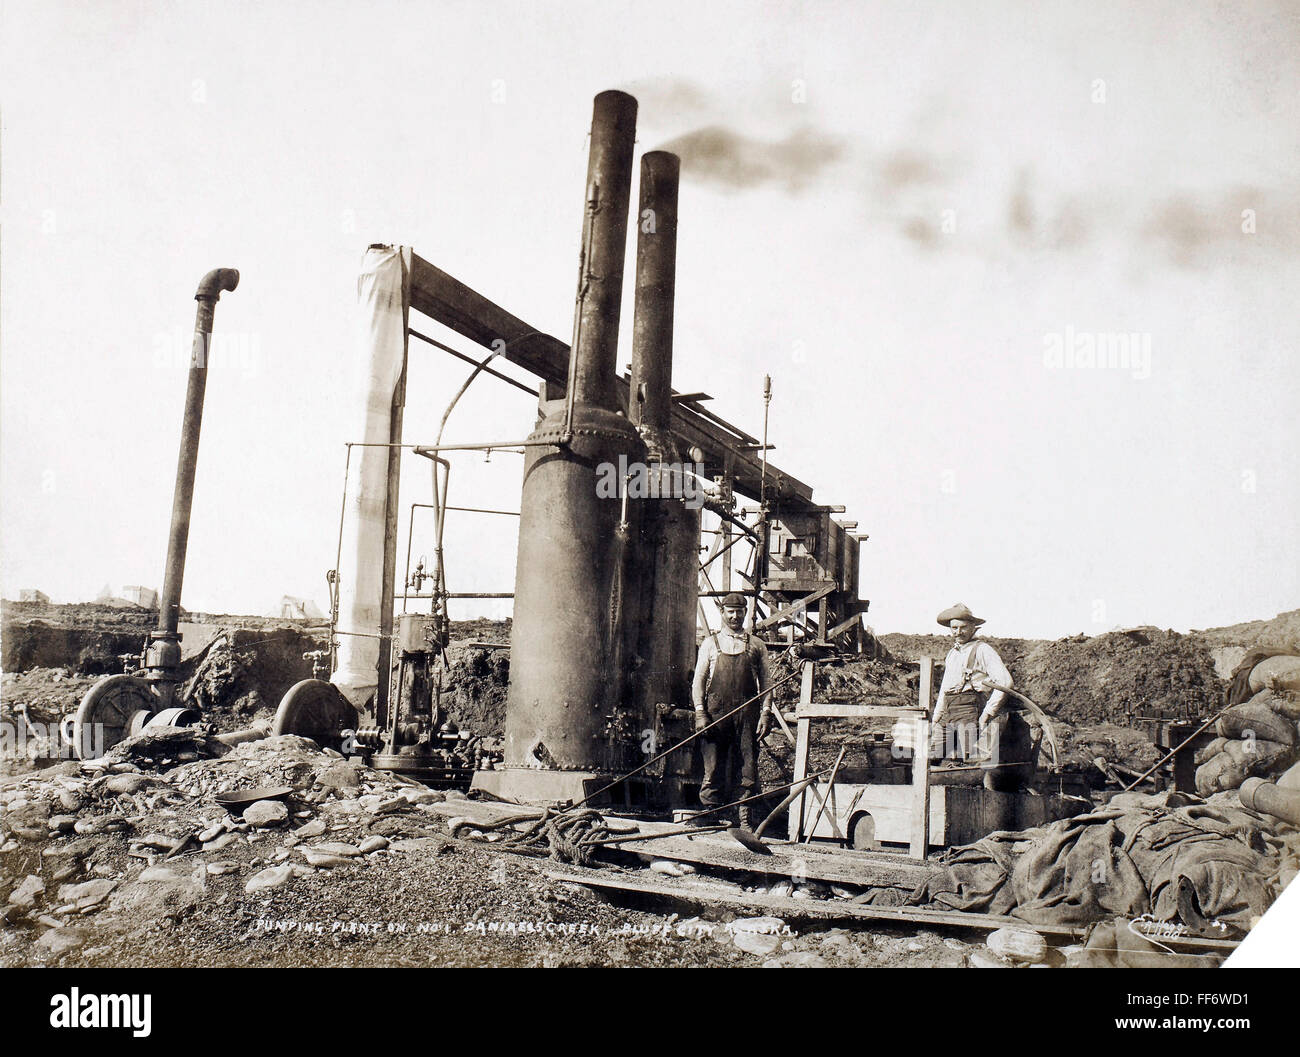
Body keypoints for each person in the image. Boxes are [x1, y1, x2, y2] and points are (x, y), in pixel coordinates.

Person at [690, 593, 773, 827]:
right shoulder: (710, 644)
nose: (735, 616)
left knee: (747, 766)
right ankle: (710, 816)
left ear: (745, 613)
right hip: (716, 714)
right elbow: (698, 682)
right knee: (713, 765)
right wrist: (699, 713)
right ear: (723, 612)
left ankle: (744, 819)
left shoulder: (756, 645)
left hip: (748, 714)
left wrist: (765, 712)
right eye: (731, 612)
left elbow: (767, 683)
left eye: (739, 612)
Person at [931, 603, 1013, 765]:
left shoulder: (983, 650)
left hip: (969, 711)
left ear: (973, 627)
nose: (958, 632)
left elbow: (1005, 682)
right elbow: (944, 689)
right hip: (948, 711)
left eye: (963, 628)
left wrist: (987, 713)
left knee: (968, 759)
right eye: (954, 628)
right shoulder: (952, 653)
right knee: (933, 757)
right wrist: (936, 717)